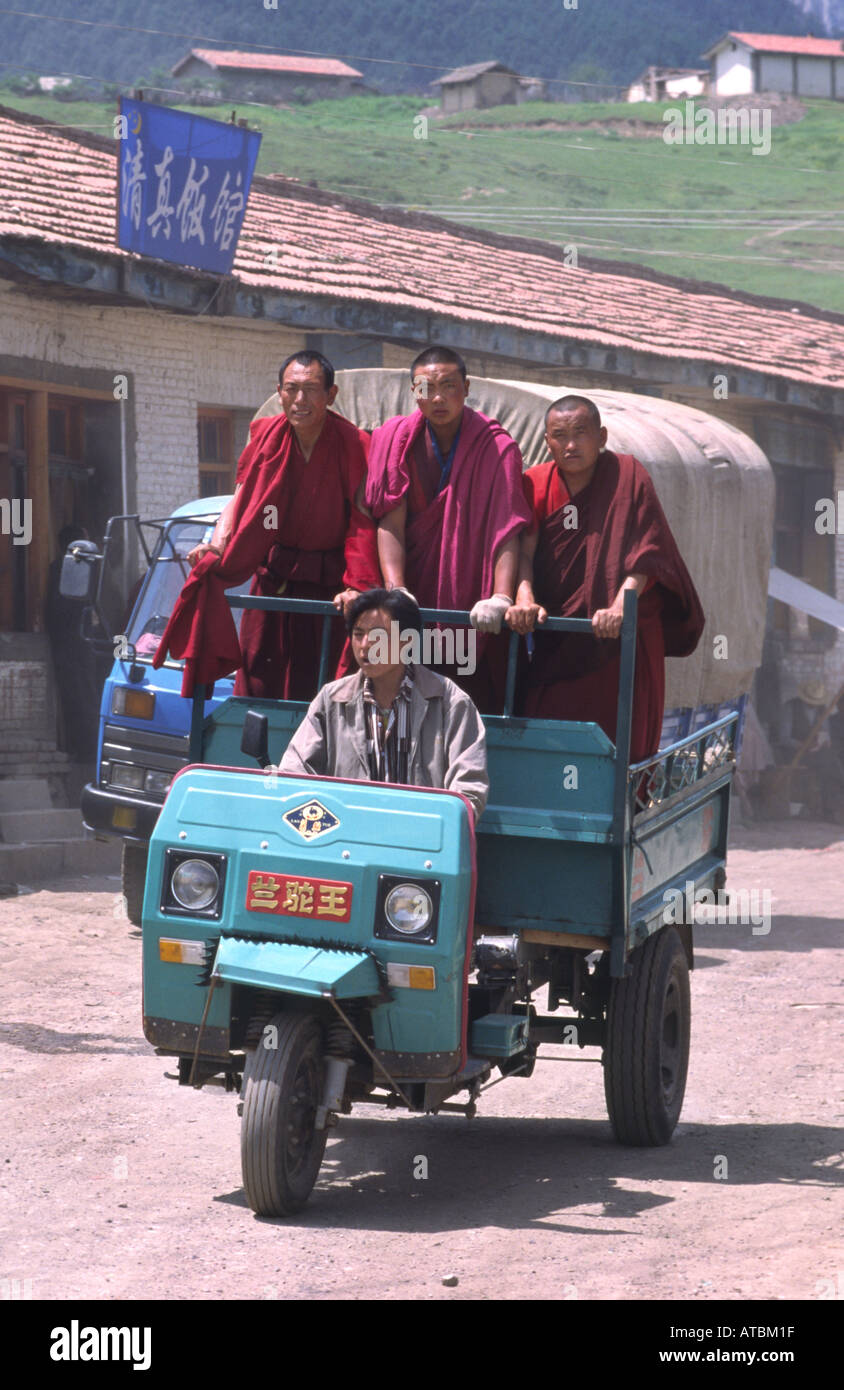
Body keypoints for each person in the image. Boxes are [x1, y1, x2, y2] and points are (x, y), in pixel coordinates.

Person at [155, 351, 380, 699]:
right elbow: (242, 499)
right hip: (273, 579)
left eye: (311, 389)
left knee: (320, 682)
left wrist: (358, 587)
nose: (300, 400)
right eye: (291, 389)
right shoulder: (266, 436)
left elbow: (361, 520)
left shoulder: (354, 444)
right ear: (279, 392)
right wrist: (217, 545)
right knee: (259, 674)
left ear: (330, 395)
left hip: (329, 587)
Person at [507, 395, 704, 762]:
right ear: (547, 441)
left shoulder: (629, 477)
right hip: (560, 639)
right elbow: (524, 552)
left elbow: (647, 554)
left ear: (601, 436)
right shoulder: (534, 483)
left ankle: (622, 806)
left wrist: (619, 606)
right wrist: (524, 597)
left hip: (618, 637)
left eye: (580, 433)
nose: (570, 445)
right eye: (559, 435)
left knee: (618, 744)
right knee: (549, 737)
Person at [364, 346, 532, 712]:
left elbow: (506, 528)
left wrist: (501, 597)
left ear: (467, 387)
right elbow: (390, 519)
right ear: (414, 392)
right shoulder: (395, 440)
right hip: (415, 600)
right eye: (425, 388)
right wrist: (397, 589)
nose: (437, 397)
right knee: (403, 702)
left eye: (448, 386)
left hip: (473, 602)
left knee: (468, 705)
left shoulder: (496, 446)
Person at [280, 587, 488, 823]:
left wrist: (431, 831)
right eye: (358, 634)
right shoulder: (332, 699)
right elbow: (294, 773)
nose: (365, 645)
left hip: (420, 846)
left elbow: (469, 792)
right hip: (345, 842)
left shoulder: (450, 701)